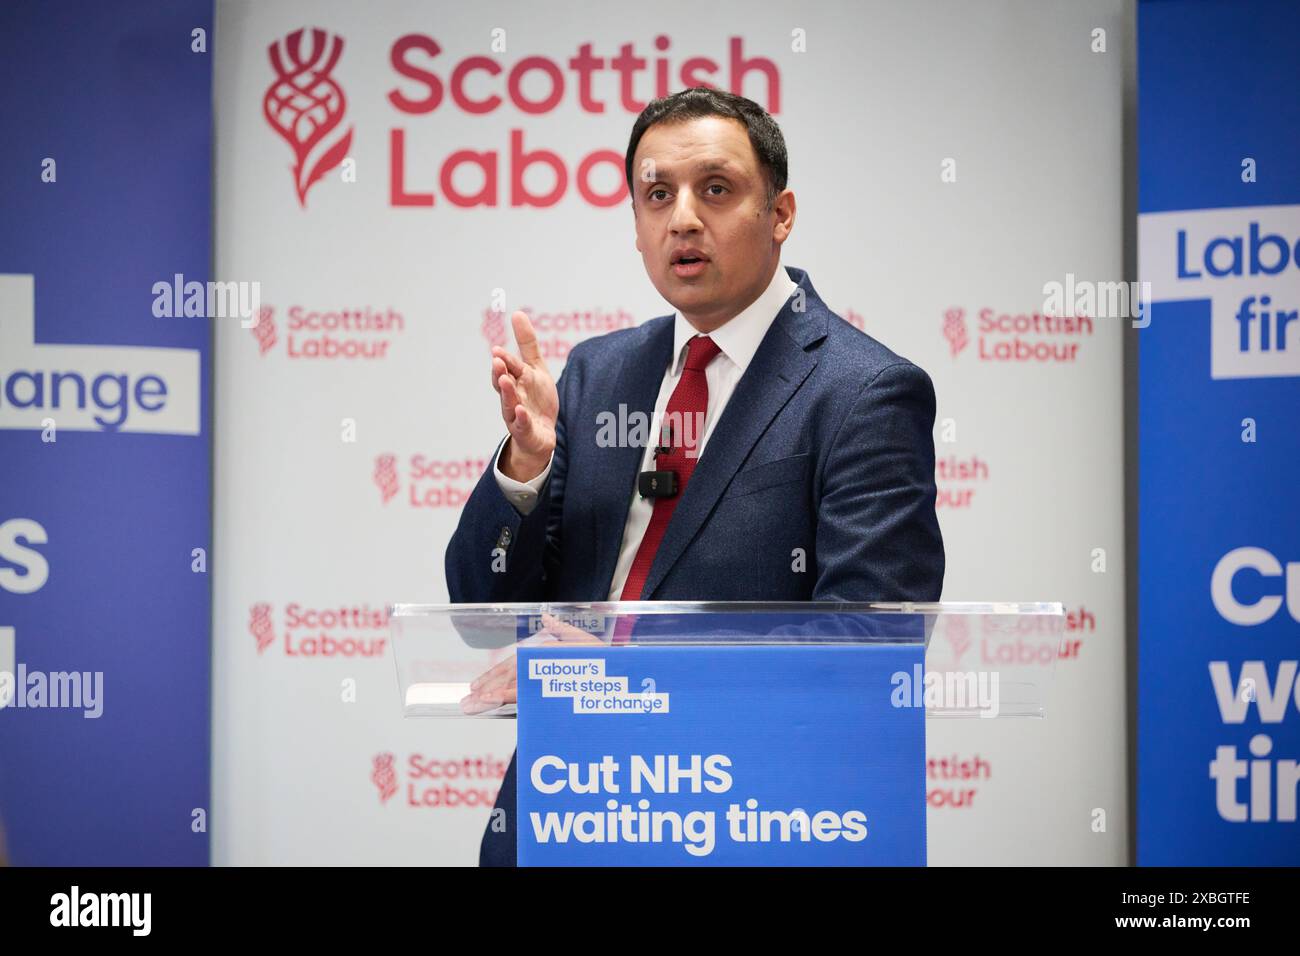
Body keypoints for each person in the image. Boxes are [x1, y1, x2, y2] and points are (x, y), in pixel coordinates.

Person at [445, 88, 945, 866]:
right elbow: (484, 611)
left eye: (715, 189)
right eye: (657, 195)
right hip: (569, 803)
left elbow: (870, 640)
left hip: (752, 813)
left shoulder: (863, 391)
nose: (682, 218)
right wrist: (526, 468)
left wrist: (628, 672)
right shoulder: (597, 374)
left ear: (780, 214)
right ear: (636, 226)